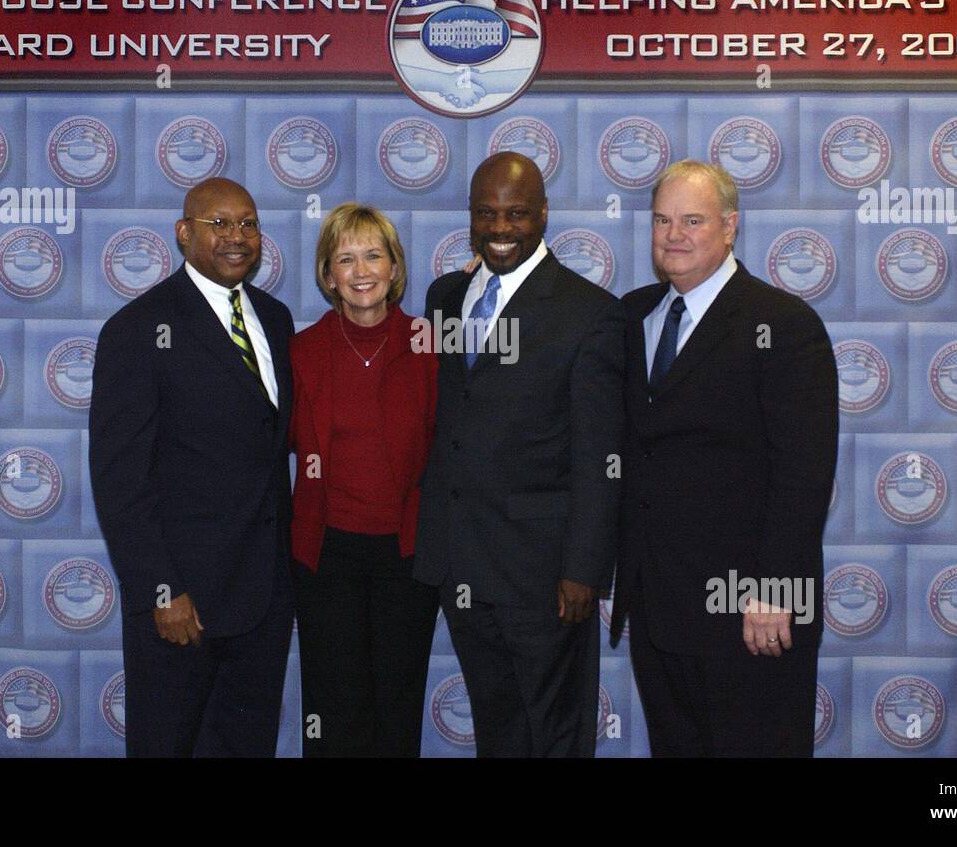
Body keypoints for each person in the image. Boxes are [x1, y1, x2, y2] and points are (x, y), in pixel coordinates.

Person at [611, 159, 838, 757]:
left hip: (750, 614)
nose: (673, 235)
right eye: (662, 220)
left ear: (731, 226)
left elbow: (805, 474)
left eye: (692, 220)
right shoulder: (633, 315)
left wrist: (776, 591)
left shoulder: (783, 324)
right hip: (658, 610)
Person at [414, 152, 626, 757]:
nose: (500, 228)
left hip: (544, 574)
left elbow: (599, 454)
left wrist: (585, 569)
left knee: (555, 734)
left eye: (516, 214)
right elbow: (451, 413)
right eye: (486, 214)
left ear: (543, 216)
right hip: (459, 562)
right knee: (498, 726)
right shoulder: (445, 297)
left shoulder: (590, 314)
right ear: (470, 217)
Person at [88, 177, 294, 757]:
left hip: (262, 603)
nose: (237, 237)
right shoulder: (136, 329)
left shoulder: (275, 321)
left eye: (248, 224)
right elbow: (119, 480)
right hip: (181, 606)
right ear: (184, 234)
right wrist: (162, 591)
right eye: (219, 224)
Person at [289, 203, 440, 757]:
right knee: (333, 715)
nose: (361, 271)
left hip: (408, 558)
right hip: (327, 555)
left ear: (395, 268)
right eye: (345, 258)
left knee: (396, 712)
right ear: (328, 275)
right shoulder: (300, 352)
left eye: (374, 254)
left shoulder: (431, 346)